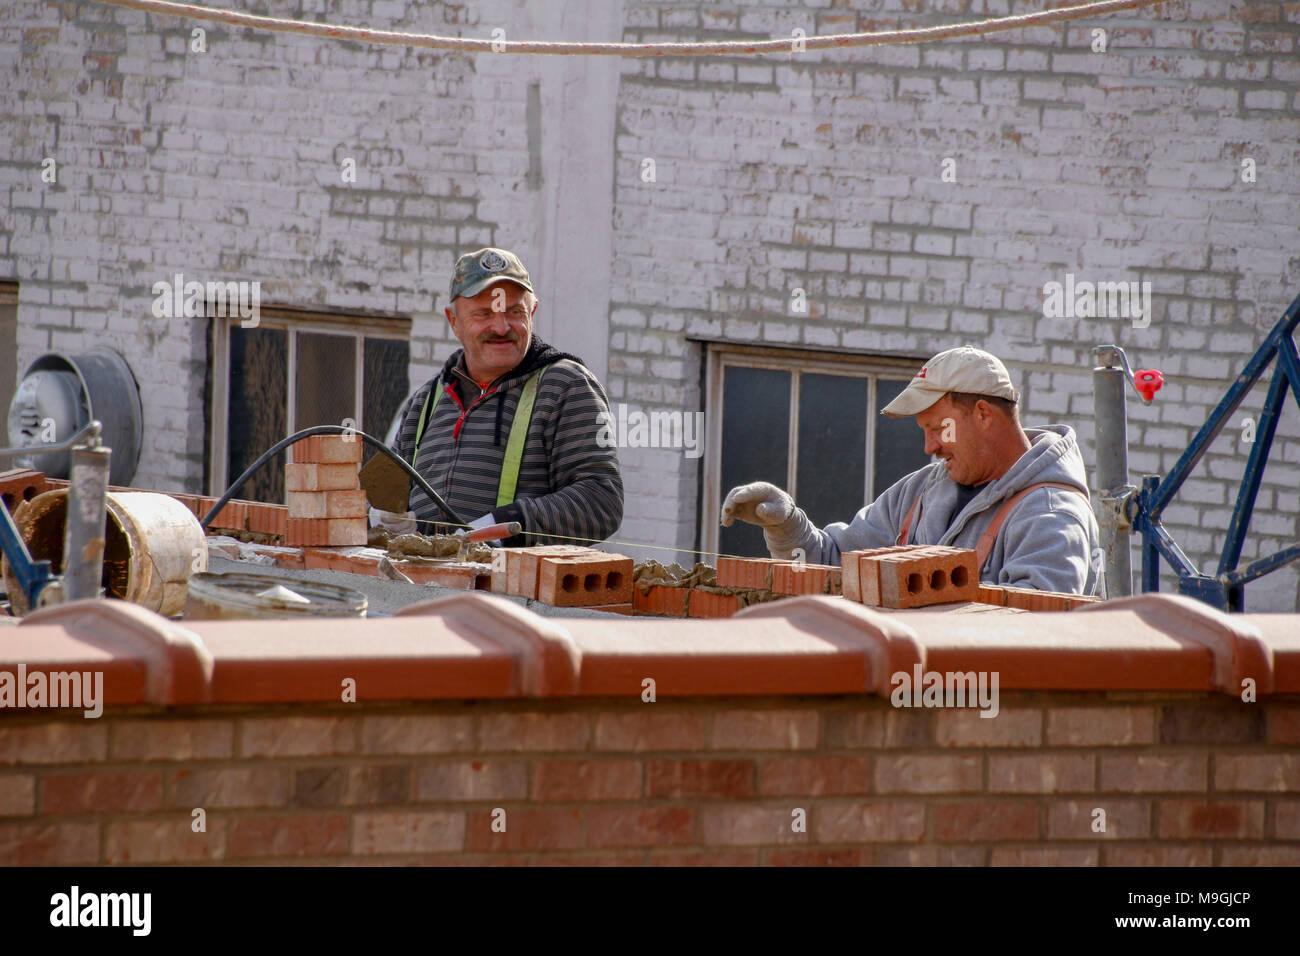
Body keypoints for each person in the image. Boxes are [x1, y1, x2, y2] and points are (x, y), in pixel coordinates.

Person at [721, 346, 1100, 594]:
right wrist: (787, 526)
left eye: (938, 429)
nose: (930, 447)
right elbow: (833, 568)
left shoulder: (1050, 513)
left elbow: (1039, 638)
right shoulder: (921, 490)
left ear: (983, 414)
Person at [390, 247, 623, 546]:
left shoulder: (565, 386)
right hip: (421, 588)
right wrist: (379, 515)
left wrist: (506, 527)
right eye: (483, 314)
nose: (501, 328)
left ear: (533, 312)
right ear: (454, 321)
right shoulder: (425, 402)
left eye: (514, 312)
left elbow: (602, 502)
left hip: (510, 591)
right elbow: (387, 497)